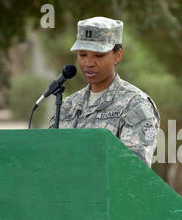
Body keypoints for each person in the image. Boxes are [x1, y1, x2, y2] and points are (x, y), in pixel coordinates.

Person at [49, 17, 160, 167]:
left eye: (98, 55)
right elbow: (48, 159)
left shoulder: (135, 105)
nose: (88, 63)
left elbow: (133, 168)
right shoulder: (67, 105)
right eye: (82, 55)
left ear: (117, 55)